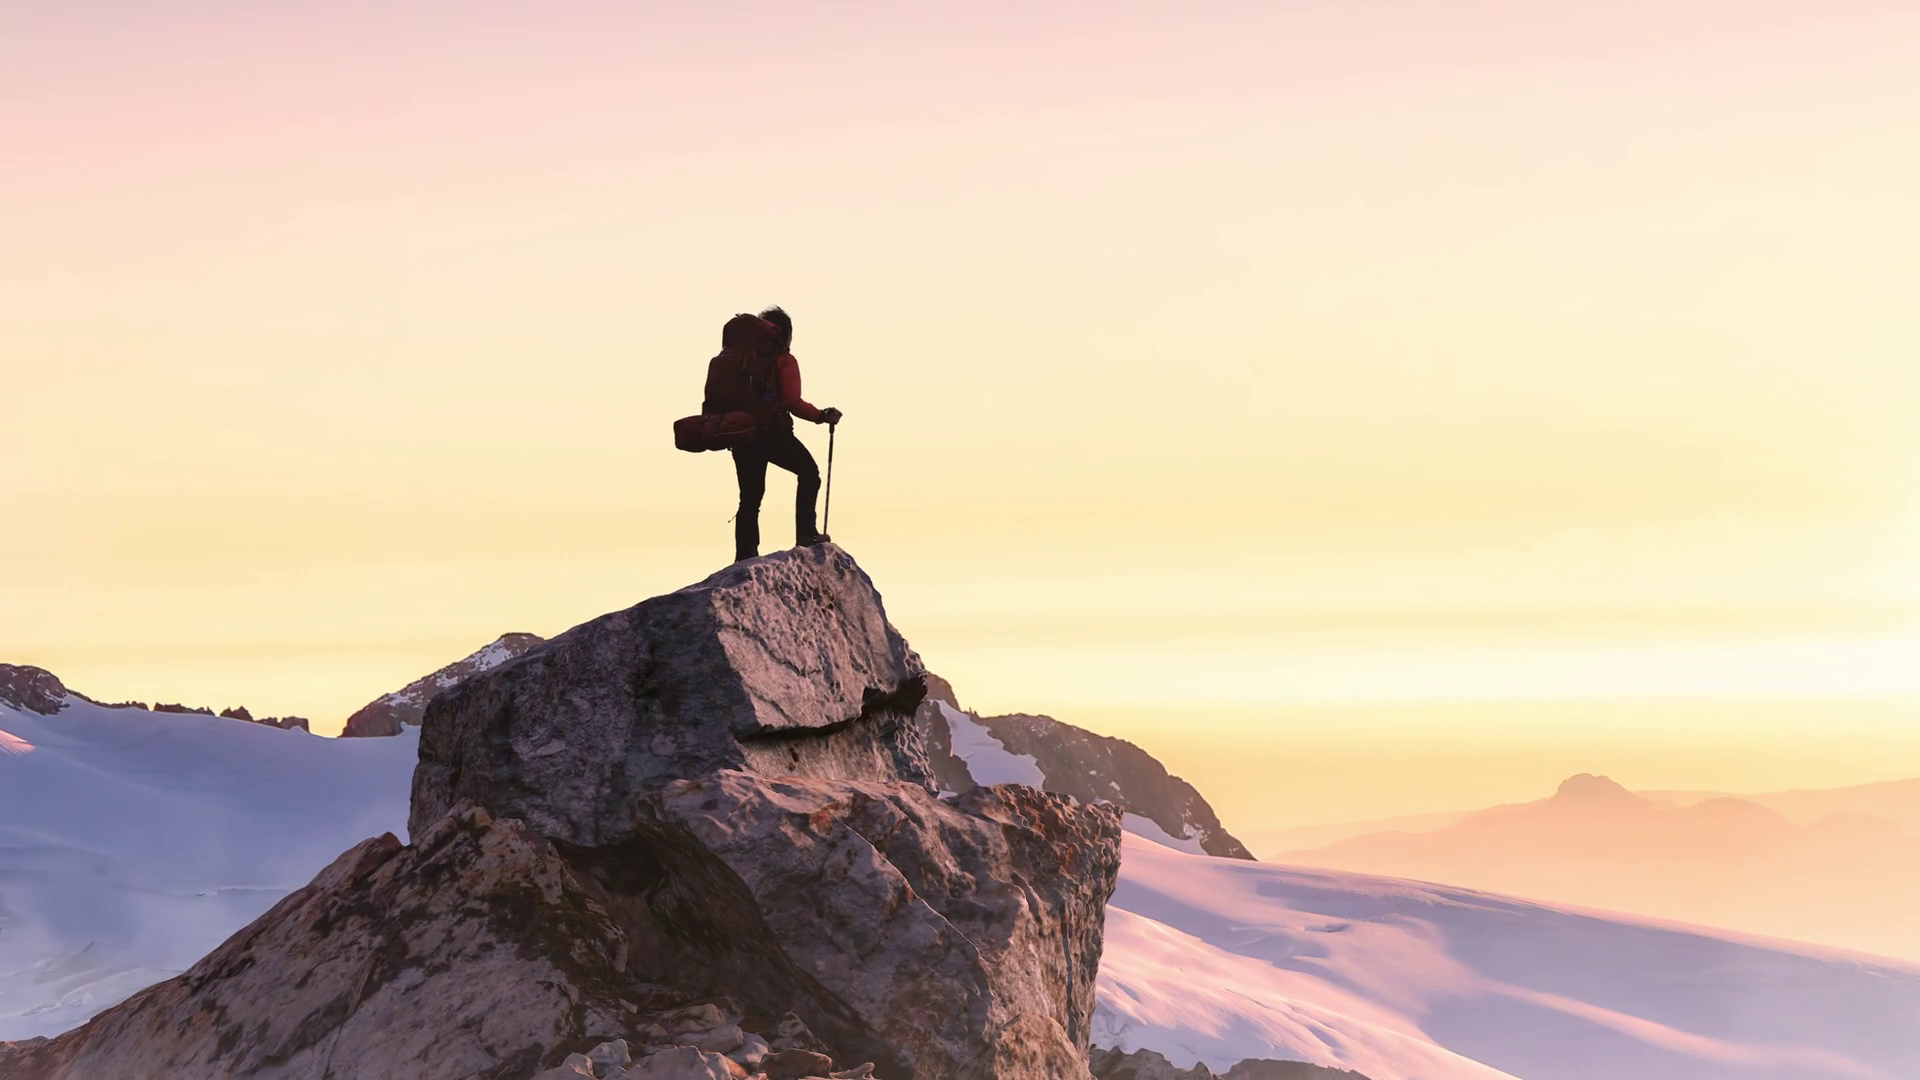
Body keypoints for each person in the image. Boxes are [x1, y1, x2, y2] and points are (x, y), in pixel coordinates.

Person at [703, 308, 842, 562]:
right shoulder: (782, 359)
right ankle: (806, 534)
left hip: (742, 432)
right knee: (809, 473)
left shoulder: (736, 357)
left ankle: (745, 556)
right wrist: (821, 415)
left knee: (750, 498)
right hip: (772, 432)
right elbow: (792, 401)